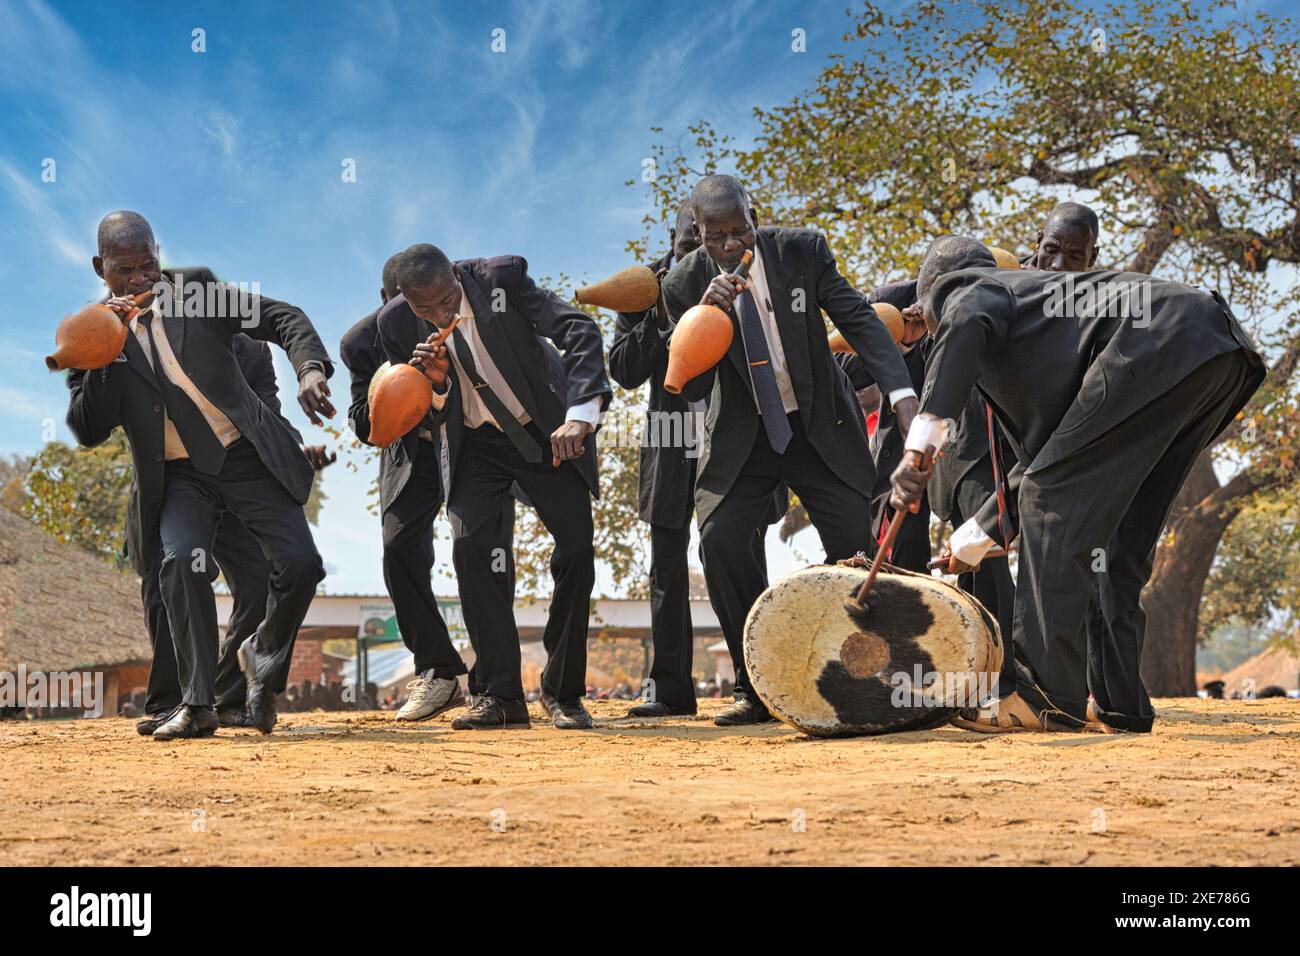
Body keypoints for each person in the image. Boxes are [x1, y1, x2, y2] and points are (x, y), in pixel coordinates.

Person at [891, 236, 1265, 733]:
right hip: (1215, 349)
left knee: (1053, 499)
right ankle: (1118, 703)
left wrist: (918, 451)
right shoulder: (1043, 326)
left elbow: (1046, 487)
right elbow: (1048, 467)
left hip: (1157, 346)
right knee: (1117, 535)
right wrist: (971, 543)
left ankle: (1042, 697)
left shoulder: (969, 289)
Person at [65, 211, 335, 739]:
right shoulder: (91, 334)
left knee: (301, 565)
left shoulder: (196, 291)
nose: (142, 278)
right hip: (179, 477)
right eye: (126, 269)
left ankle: (260, 653)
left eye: (150, 264)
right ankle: (196, 704)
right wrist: (105, 351)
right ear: (102, 268)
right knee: (181, 563)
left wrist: (309, 369)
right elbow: (88, 427)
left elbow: (283, 315)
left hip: (244, 458)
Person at [661, 175, 916, 726]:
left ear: (755, 217)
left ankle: (864, 681)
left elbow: (861, 321)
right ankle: (756, 688)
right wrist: (709, 321)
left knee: (853, 546)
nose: (731, 245)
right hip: (744, 436)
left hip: (819, 426)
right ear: (698, 234)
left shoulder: (802, 250)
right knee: (720, 540)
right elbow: (694, 390)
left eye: (740, 230)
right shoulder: (683, 285)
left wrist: (903, 396)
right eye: (716, 236)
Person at [377, 244, 610, 730]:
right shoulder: (395, 325)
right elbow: (429, 404)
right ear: (405, 301)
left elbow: (579, 330)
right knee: (471, 550)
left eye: (447, 300)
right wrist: (436, 384)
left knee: (576, 550)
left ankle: (563, 693)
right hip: (478, 445)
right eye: (427, 309)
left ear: (455, 276)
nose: (442, 314)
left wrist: (580, 417)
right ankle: (500, 695)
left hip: (547, 429)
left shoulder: (500, 280)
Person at [608, 201, 783, 717]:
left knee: (740, 558)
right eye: (689, 242)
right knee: (666, 566)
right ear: (680, 236)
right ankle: (669, 691)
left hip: (740, 443)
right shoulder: (644, 289)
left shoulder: (754, 272)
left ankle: (756, 687)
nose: (698, 254)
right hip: (671, 439)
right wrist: (666, 312)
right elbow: (623, 370)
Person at [131, 328, 333, 735]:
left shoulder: (254, 352)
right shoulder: (152, 344)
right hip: (176, 482)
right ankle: (174, 702)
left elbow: (268, 418)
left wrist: (297, 454)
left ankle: (228, 695)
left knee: (259, 578)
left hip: (238, 480)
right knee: (169, 574)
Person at [341, 253, 515, 721]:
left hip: (474, 445)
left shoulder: (467, 309)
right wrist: (397, 392)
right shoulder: (361, 343)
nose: (420, 313)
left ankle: (494, 685)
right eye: (398, 303)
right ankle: (438, 670)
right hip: (411, 453)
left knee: (486, 550)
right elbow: (363, 423)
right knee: (399, 548)